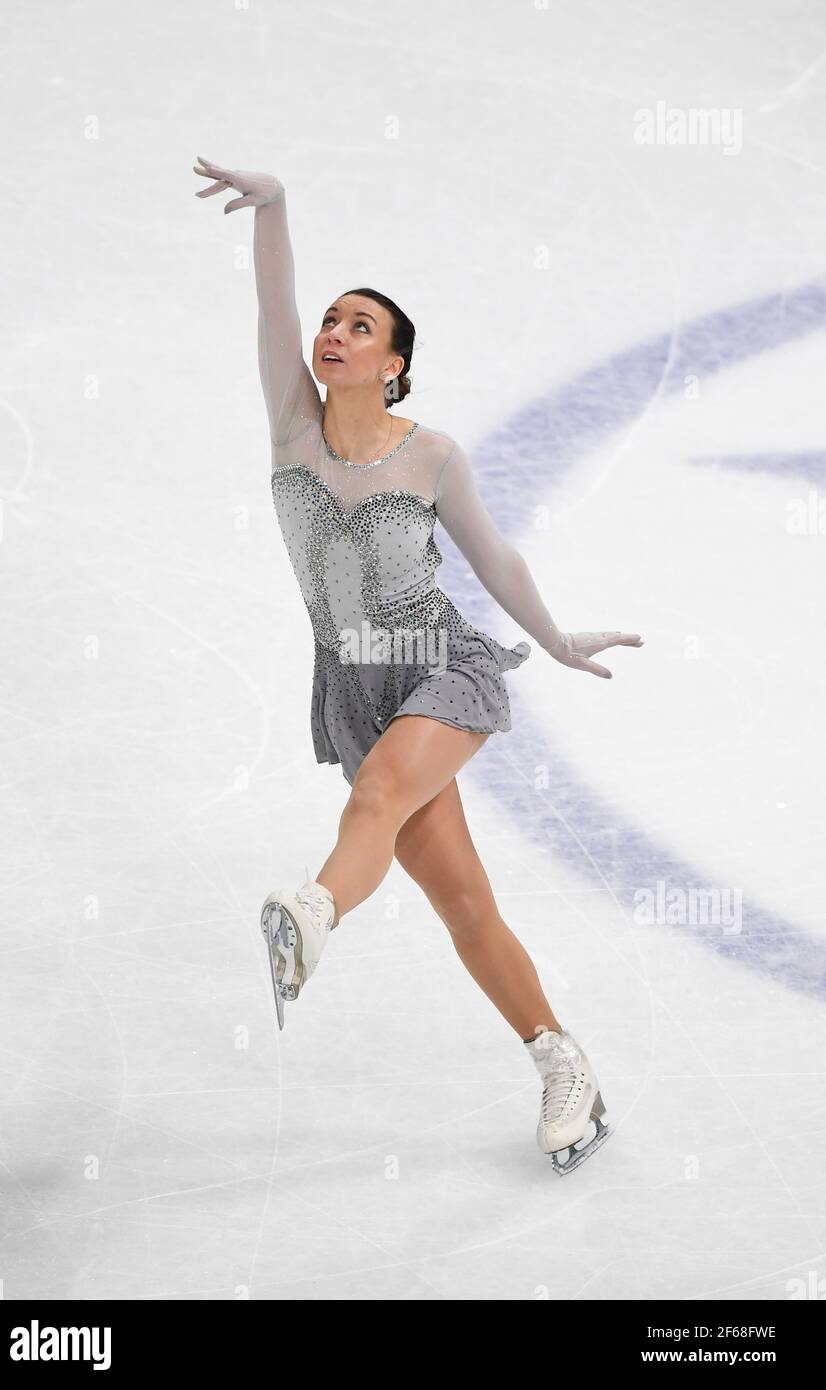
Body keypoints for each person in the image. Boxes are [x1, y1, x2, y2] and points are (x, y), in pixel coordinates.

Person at [193, 157, 644, 1173]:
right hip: (353, 687)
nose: (333, 334)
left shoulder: (430, 454)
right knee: (464, 904)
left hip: (438, 666)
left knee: (379, 797)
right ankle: (561, 1060)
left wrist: (560, 639)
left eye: (360, 326)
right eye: (333, 322)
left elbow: (496, 558)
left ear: (393, 364)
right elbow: (271, 306)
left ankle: (309, 911)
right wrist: (274, 209)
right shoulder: (291, 428)